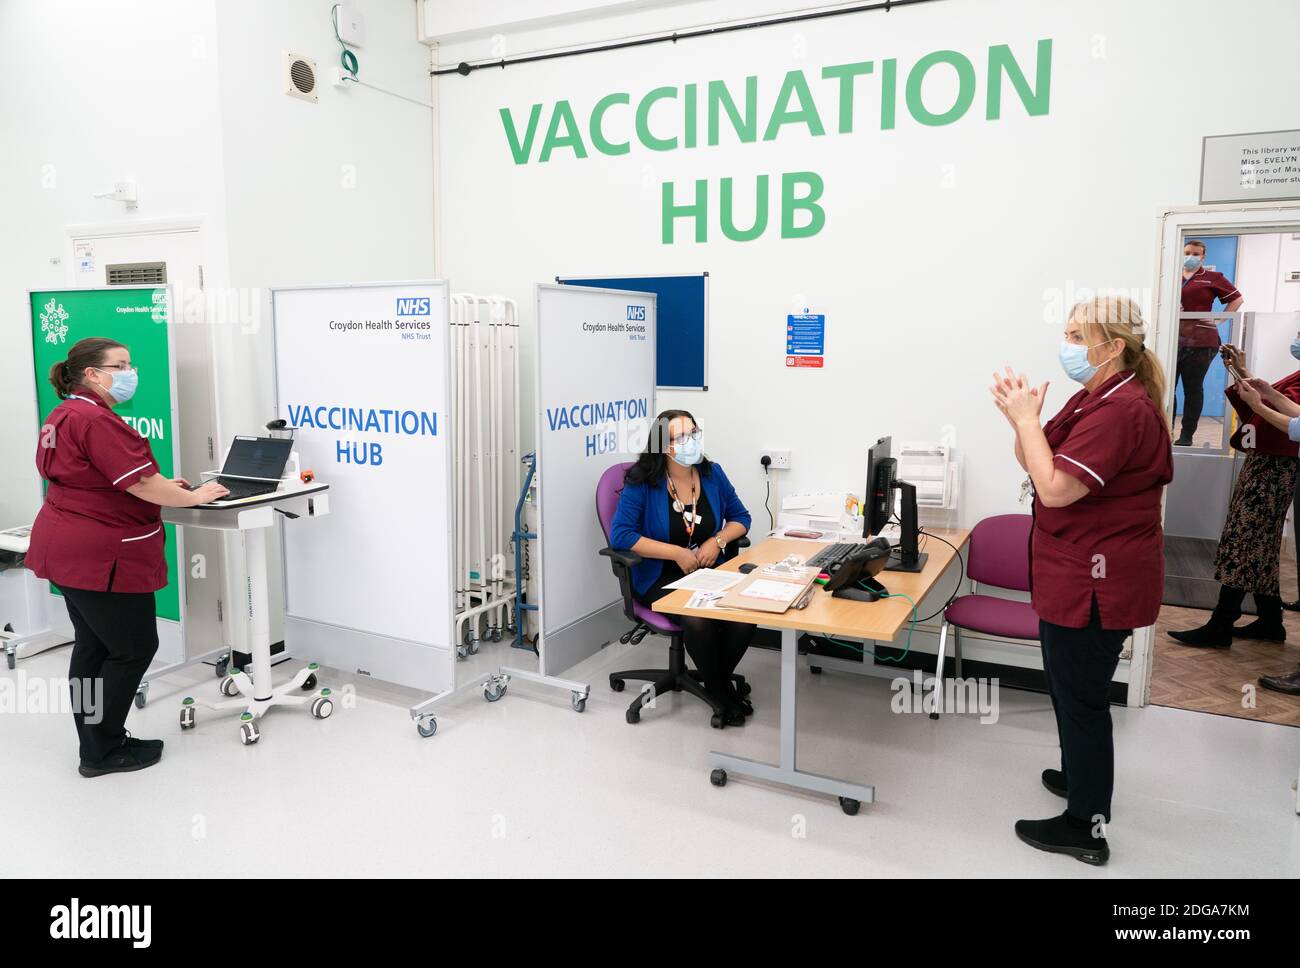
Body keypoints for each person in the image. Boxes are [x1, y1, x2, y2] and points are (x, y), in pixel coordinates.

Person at [991, 295, 1173, 865]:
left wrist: (1026, 421)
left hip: (1099, 584)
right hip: (1074, 576)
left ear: (1113, 346)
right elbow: (1034, 463)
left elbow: (1054, 490)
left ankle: (1085, 828)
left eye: (1077, 334)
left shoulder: (1123, 412)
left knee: (1083, 701)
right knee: (1071, 693)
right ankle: (1078, 778)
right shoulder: (1097, 397)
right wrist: (1020, 424)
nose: (1066, 343)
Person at [26, 337, 228, 777]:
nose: (130, 371)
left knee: (94, 646)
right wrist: (193, 496)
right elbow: (138, 485)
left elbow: (97, 476)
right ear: (93, 375)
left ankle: (94, 744)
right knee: (134, 647)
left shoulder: (63, 414)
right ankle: (105, 749)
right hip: (101, 554)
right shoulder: (96, 420)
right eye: (120, 365)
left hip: (64, 545)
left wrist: (163, 485)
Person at [608, 409, 755, 725]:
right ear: (664, 445)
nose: (693, 442)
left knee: (746, 615)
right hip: (660, 575)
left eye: (695, 433)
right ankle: (720, 690)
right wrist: (676, 553)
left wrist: (716, 541)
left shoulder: (712, 474)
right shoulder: (642, 481)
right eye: (683, 437)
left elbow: (742, 518)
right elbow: (621, 534)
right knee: (697, 618)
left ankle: (716, 682)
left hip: (709, 571)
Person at [1168, 339, 1300, 650]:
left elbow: (1287, 422)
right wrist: (1242, 373)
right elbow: (1272, 403)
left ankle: (1221, 624)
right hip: (1269, 463)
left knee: (1247, 541)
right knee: (1258, 545)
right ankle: (1270, 621)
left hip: (1276, 467)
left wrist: (1256, 401)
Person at [1174, 239, 1243, 446]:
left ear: (1203, 257)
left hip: (1202, 341)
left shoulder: (1212, 277)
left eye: (1196, 254)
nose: (1191, 256)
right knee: (1168, 388)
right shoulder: (1170, 276)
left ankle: (1186, 435)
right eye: (1187, 252)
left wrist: (1219, 319)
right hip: (1173, 339)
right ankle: (1165, 430)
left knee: (1192, 388)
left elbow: (1237, 299)